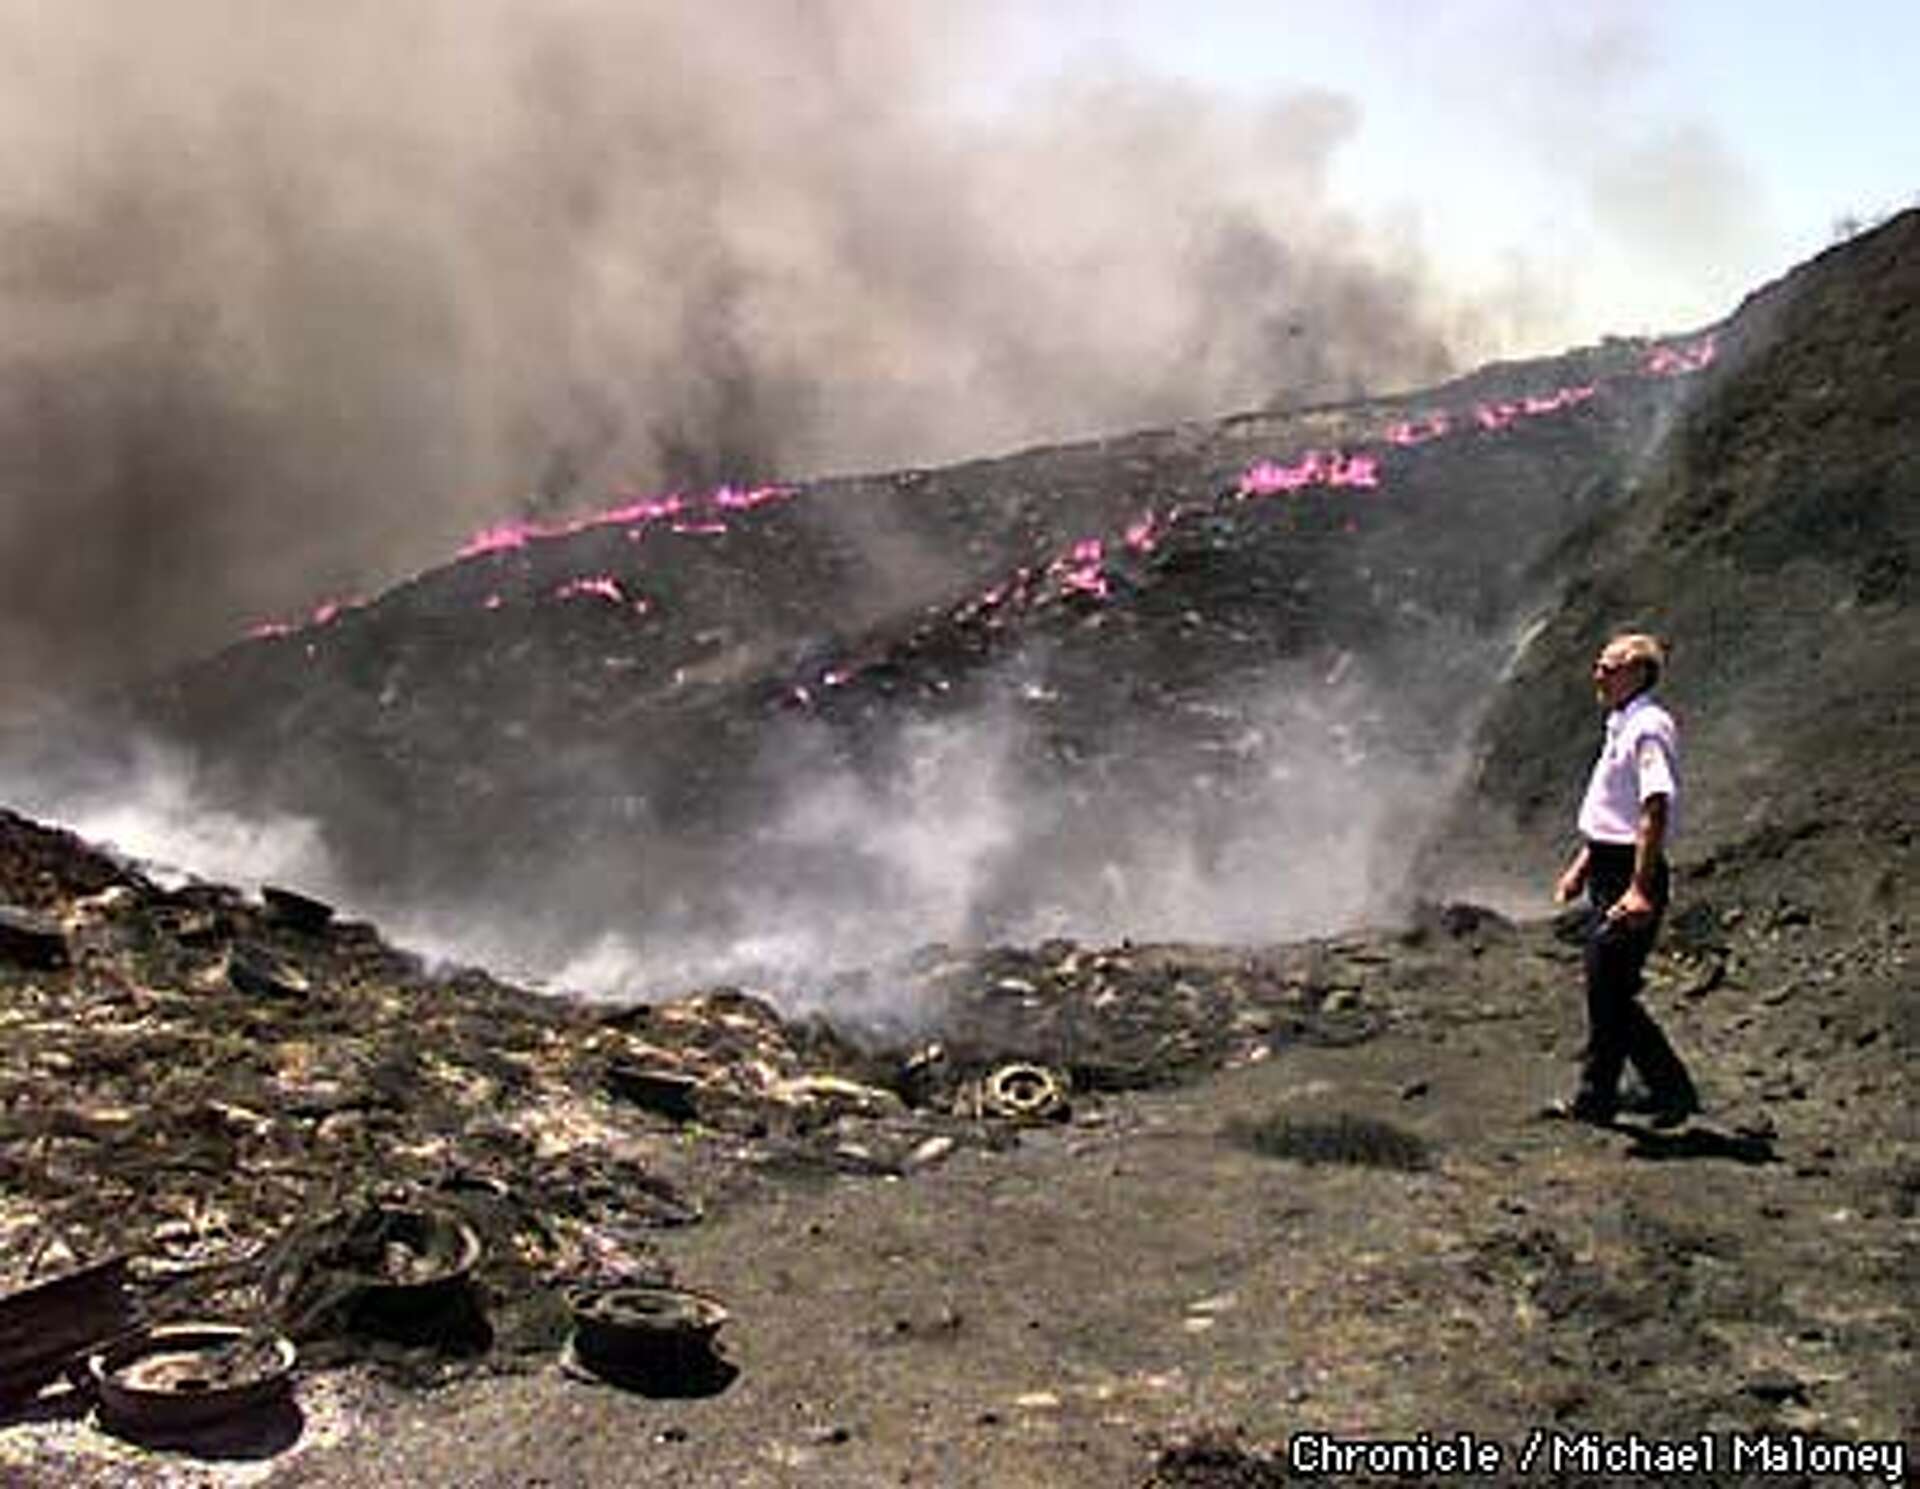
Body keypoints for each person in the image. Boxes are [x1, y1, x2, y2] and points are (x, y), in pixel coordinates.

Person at [1549, 632, 1698, 1126]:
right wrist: (1581, 867)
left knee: (1606, 987)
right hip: (1610, 867)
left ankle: (1603, 1097)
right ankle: (1664, 1090)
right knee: (1609, 988)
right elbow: (1611, 810)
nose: (1598, 674)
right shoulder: (1621, 723)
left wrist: (1638, 888)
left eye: (1609, 666)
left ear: (1638, 674)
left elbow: (1653, 808)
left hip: (1632, 875)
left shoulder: (1648, 728)